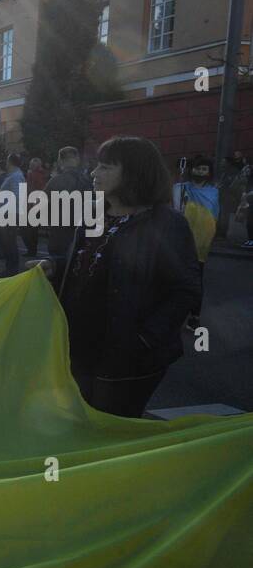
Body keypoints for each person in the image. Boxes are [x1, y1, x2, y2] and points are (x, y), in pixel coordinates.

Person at [56, 136, 202, 417]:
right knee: (81, 424)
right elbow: (88, 266)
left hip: (127, 359)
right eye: (96, 166)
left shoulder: (167, 224)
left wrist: (143, 340)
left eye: (105, 167)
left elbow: (185, 289)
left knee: (112, 431)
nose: (94, 174)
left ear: (134, 174)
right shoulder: (95, 214)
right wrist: (54, 266)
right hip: (79, 347)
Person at [44, 146, 92, 261]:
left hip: (59, 235)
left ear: (60, 161)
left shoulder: (55, 181)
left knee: (56, 270)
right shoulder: (88, 182)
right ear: (78, 160)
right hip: (82, 235)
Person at [0, 152, 26, 277]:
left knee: (9, 243)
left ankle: (11, 270)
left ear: (10, 162)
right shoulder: (15, 175)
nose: (5, 163)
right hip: (9, 213)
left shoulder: (16, 177)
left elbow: (17, 196)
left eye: (7, 161)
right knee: (8, 243)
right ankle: (10, 269)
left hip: (9, 214)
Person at [23, 156, 48, 255]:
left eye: (32, 164)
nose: (30, 165)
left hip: (33, 203)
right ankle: (32, 249)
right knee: (32, 228)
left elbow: (34, 188)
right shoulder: (40, 174)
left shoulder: (34, 174)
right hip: (34, 203)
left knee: (29, 229)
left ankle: (31, 249)